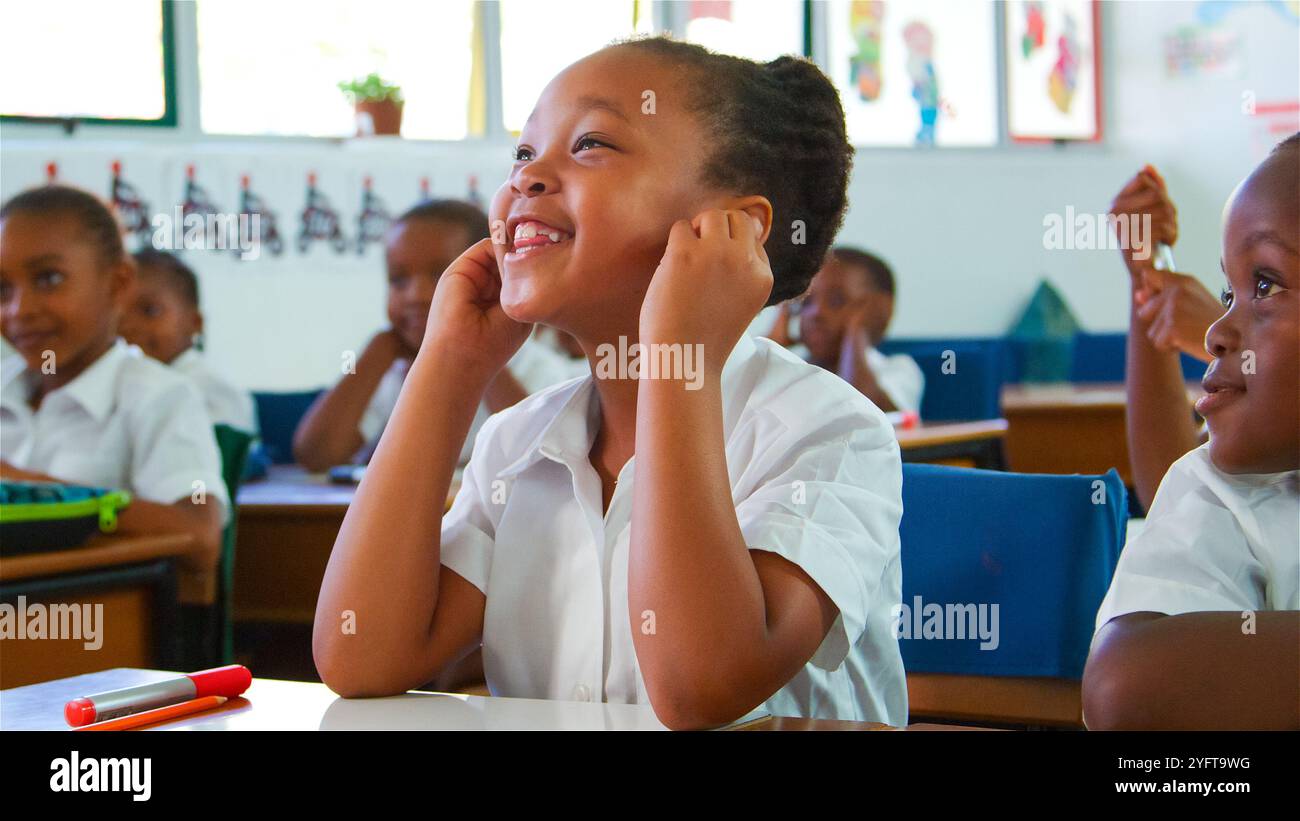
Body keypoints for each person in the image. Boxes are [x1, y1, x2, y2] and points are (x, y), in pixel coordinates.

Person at [313, 37, 907, 729]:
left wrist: (678, 354)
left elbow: (698, 689)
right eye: (523, 154)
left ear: (732, 230)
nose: (527, 180)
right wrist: (449, 365)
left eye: (591, 142)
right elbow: (360, 655)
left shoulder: (827, 429)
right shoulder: (516, 446)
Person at [1083, 134, 1300, 730]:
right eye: (1228, 292)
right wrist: (1145, 281)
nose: (1216, 331)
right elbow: (1127, 686)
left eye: (1266, 285)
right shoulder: (1242, 491)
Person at [0, 186, 227, 600]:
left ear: (118, 283)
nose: (19, 310)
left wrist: (25, 488)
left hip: (88, 631)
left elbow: (200, 535)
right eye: (2, 290)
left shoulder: (160, 397)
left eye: (48, 279)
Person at [119, 248, 257, 432]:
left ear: (195, 323)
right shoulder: (122, 387)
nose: (129, 326)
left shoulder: (213, 393)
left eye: (150, 311)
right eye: (119, 315)